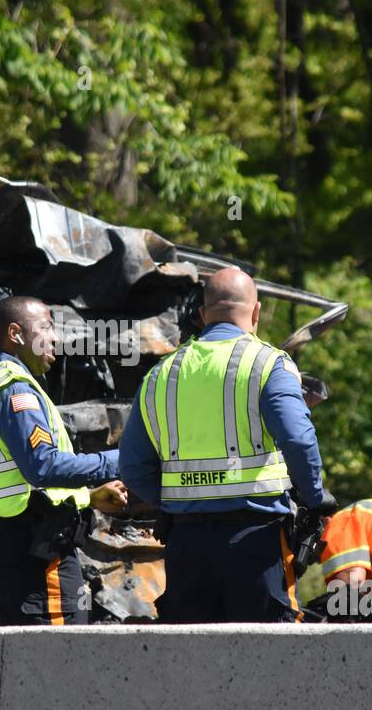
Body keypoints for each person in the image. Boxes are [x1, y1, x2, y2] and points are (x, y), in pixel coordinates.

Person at [118, 266, 333, 623]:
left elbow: (133, 466)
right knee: (264, 658)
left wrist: (174, 499)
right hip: (255, 544)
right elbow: (298, 439)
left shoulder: (161, 374)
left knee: (195, 660)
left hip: (186, 546)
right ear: (257, 312)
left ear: (202, 315)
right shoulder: (268, 365)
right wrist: (313, 499)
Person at [0, 295, 127, 625]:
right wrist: (121, 459)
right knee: (61, 662)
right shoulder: (16, 388)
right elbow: (43, 467)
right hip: (34, 551)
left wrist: (88, 497)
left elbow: (17, 479)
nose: (55, 338)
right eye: (46, 328)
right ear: (16, 334)